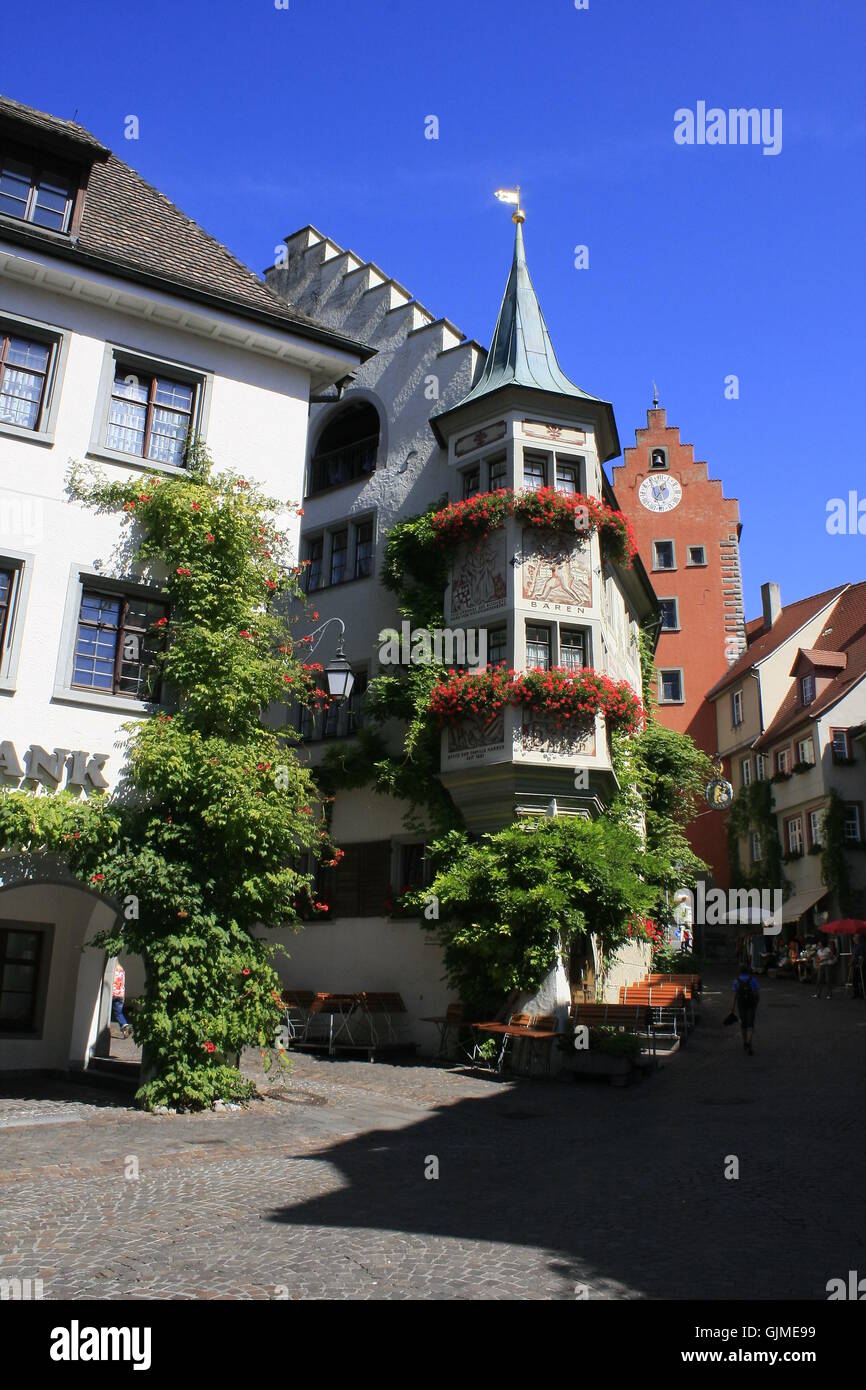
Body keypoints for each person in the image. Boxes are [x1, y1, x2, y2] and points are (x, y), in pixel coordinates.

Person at [731, 966, 760, 1055]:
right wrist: (756, 1004)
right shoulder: (752, 980)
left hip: (741, 1004)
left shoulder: (736, 981)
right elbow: (757, 993)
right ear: (748, 972)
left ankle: (744, 1042)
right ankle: (749, 1042)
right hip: (751, 1004)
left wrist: (732, 1007)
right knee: (750, 1024)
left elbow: (735, 995)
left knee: (743, 1024)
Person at [112, 961, 132, 1038]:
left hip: (113, 993)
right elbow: (123, 983)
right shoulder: (122, 971)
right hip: (120, 994)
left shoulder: (113, 971)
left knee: (106, 1011)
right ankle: (125, 1026)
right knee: (119, 1013)